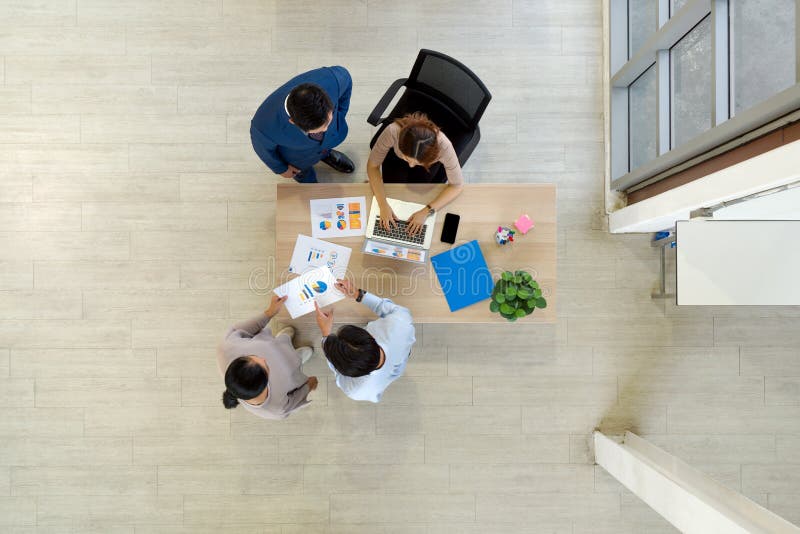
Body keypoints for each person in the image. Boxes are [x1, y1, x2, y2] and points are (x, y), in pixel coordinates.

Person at [313, 279, 415, 403]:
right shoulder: (400, 324)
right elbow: (396, 311)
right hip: (400, 357)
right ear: (371, 335)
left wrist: (326, 335)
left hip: (393, 366)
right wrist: (358, 294)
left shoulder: (355, 390)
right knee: (398, 366)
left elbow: (338, 373)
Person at [217, 295, 318, 420]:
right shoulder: (276, 409)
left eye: (251, 357)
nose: (263, 359)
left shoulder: (225, 349)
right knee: (295, 360)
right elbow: (296, 399)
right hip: (289, 370)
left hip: (275, 345)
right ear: (265, 384)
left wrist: (270, 312)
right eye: (265, 367)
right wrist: (309, 385)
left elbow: (242, 329)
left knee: (281, 343)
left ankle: (284, 340)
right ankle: (298, 357)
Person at [251, 66, 354, 183]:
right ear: (293, 121)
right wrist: (281, 169)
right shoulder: (263, 126)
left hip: (327, 143)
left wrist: (341, 113)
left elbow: (346, 81)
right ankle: (307, 180)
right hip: (298, 158)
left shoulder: (333, 79)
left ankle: (326, 154)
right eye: (318, 129)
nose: (326, 129)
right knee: (302, 174)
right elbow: (263, 151)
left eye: (329, 120)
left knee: (325, 146)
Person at [367, 112, 464, 235]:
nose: (411, 165)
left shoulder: (444, 146)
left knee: (419, 191)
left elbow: (457, 186)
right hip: (397, 159)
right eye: (408, 159)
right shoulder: (393, 131)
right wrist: (382, 205)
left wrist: (427, 211)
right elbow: (372, 166)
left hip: (427, 166)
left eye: (417, 162)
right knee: (393, 187)